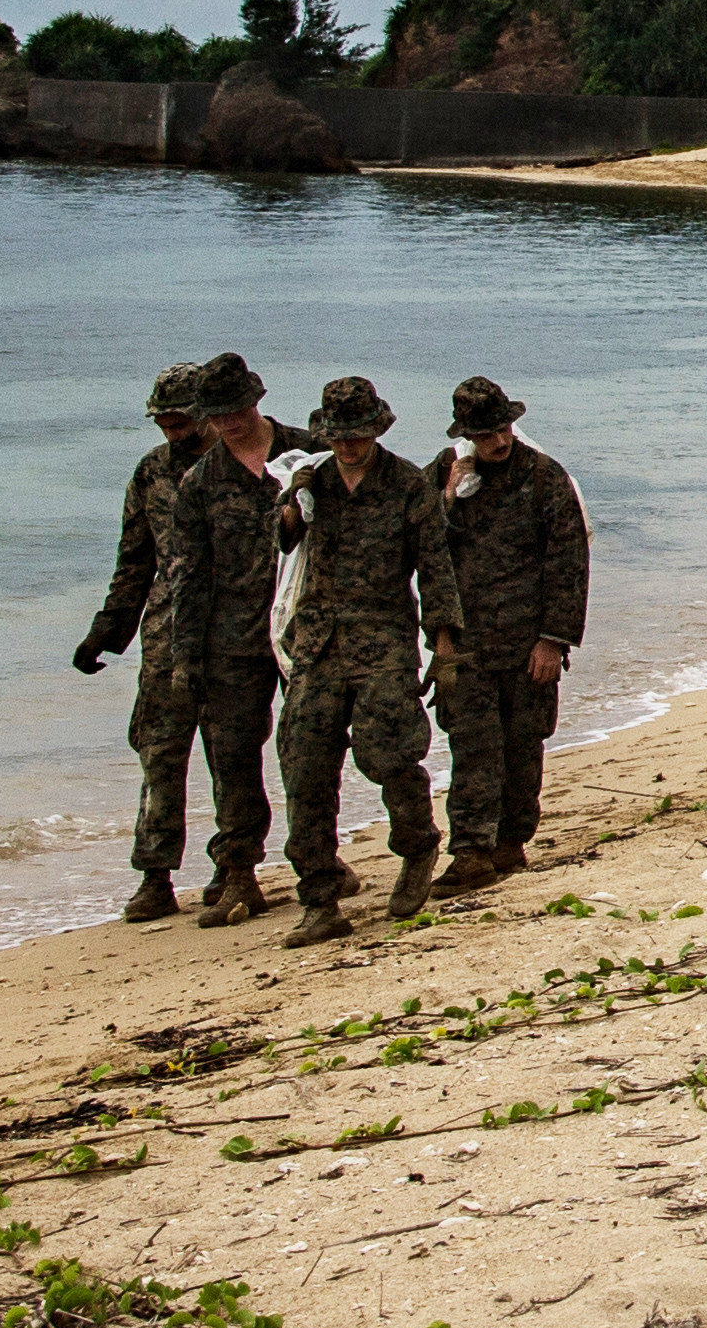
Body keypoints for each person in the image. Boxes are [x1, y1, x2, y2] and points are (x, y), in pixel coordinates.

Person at [75, 357, 308, 920]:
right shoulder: (155, 473)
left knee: (295, 746)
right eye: (163, 422)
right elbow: (134, 562)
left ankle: (271, 862)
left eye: (181, 421)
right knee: (162, 750)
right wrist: (107, 632)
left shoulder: (294, 454)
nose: (171, 431)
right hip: (180, 629)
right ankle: (157, 874)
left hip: (286, 622)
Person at [272, 374, 466, 943]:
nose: (348, 446)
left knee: (389, 755)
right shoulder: (314, 484)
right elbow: (282, 541)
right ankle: (321, 898)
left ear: (376, 431)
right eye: (338, 436)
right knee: (303, 766)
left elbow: (435, 568)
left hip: (383, 640)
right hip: (316, 645)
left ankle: (417, 845)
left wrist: (445, 647)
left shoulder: (407, 485)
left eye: (357, 435)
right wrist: (294, 500)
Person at [154, 352, 298, 925]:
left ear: (256, 401)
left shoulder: (305, 453)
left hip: (302, 631)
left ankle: (321, 859)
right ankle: (239, 873)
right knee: (233, 758)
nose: (231, 422)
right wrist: (184, 658)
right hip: (229, 639)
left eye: (238, 409)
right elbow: (187, 575)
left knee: (311, 749)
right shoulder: (200, 481)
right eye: (218, 414)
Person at [431, 375, 590, 890]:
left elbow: (568, 561)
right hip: (468, 641)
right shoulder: (444, 474)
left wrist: (553, 640)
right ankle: (471, 849)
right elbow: (425, 555)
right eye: (484, 435)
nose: (496, 443)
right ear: (466, 435)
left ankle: (510, 843)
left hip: (528, 641)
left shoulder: (544, 476)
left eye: (502, 430)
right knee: (471, 747)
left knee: (523, 745)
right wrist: (448, 497)